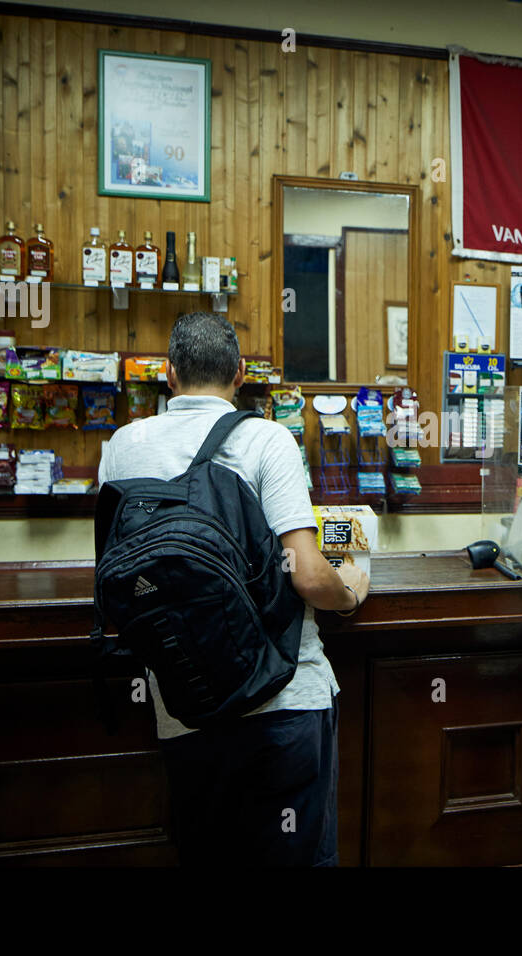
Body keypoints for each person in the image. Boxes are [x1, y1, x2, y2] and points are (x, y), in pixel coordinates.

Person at [97, 311, 369, 866]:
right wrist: (352, 592)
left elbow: (115, 573)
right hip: (284, 699)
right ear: (240, 373)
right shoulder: (266, 438)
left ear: (168, 374)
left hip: (186, 701)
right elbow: (309, 575)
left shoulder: (122, 446)